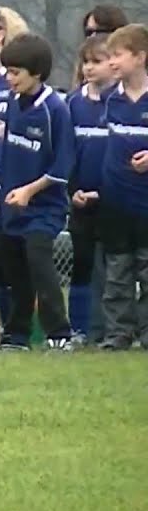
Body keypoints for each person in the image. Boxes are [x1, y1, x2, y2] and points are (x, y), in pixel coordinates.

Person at [0, 33, 74, 351]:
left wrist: (30, 190)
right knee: (16, 273)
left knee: (39, 264)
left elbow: (63, 165)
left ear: (37, 73)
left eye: (15, 72)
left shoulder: (55, 109)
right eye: (7, 70)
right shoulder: (13, 104)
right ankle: (17, 336)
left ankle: (59, 333)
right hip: (13, 206)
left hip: (44, 207)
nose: (8, 78)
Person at [97, 24, 148, 351]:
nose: (111, 62)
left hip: (145, 202)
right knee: (116, 272)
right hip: (115, 200)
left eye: (118, 55)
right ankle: (118, 334)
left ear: (140, 57)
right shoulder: (109, 99)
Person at [66, 35, 115, 343]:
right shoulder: (73, 103)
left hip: (113, 199)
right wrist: (73, 190)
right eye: (86, 62)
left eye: (97, 62)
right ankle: (80, 328)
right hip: (80, 199)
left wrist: (105, 191)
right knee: (82, 263)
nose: (89, 69)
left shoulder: (121, 103)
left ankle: (111, 327)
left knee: (113, 266)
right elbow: (65, 153)